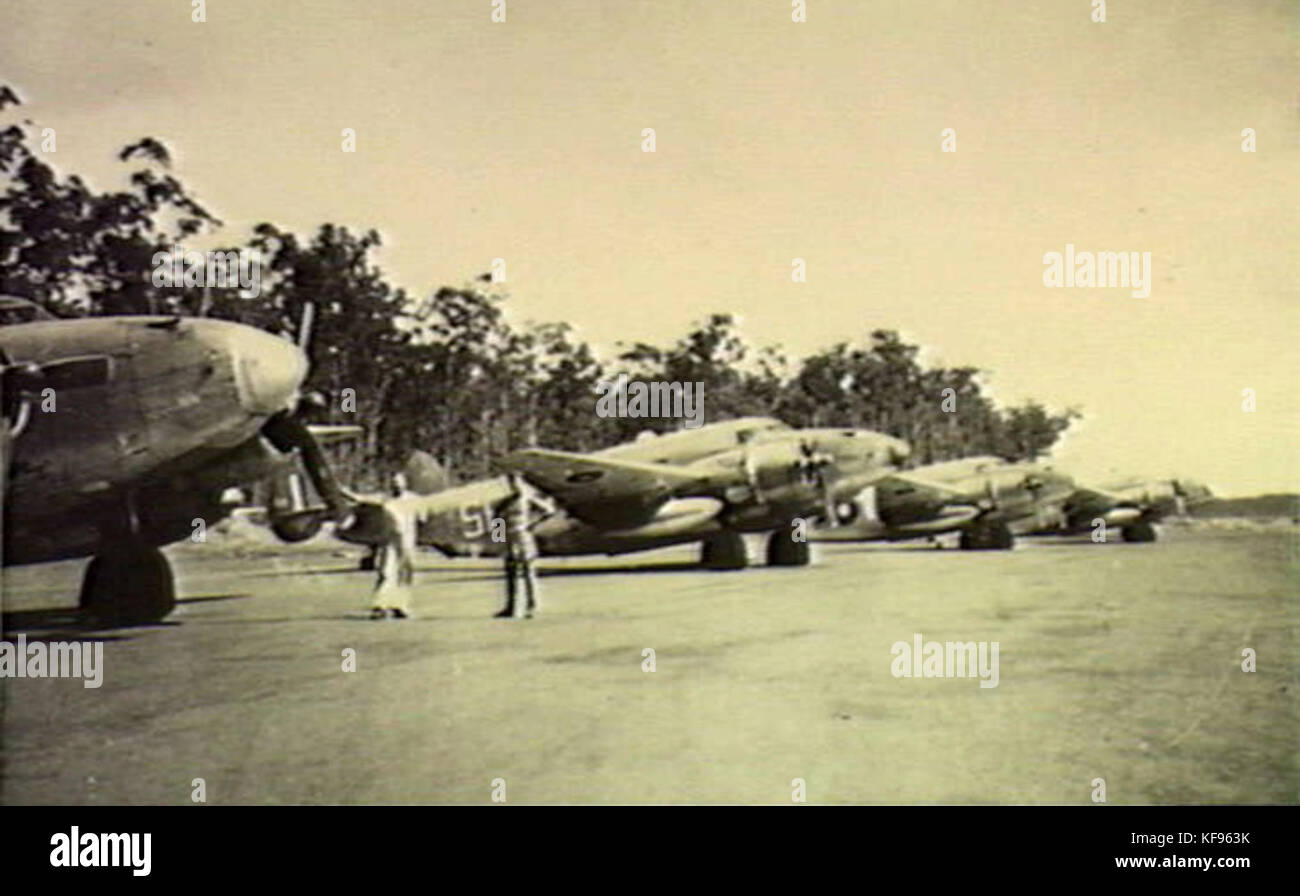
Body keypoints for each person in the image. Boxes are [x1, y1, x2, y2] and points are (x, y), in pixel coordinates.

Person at [495, 473, 541, 619]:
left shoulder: (528, 499)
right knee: (511, 574)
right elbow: (497, 520)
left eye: (517, 482)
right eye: (511, 482)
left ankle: (532, 606)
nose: (515, 485)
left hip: (524, 538)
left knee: (528, 573)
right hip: (510, 540)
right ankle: (511, 608)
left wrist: (531, 524)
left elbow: (547, 510)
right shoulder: (503, 502)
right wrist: (499, 542)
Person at [370, 474, 415, 620]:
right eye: (394, 483)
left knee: (405, 573)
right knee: (386, 572)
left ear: (405, 484)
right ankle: (380, 606)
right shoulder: (385, 498)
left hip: (406, 540)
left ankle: (400, 606)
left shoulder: (413, 499)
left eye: (399, 483)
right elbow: (362, 498)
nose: (397, 486)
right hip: (389, 540)